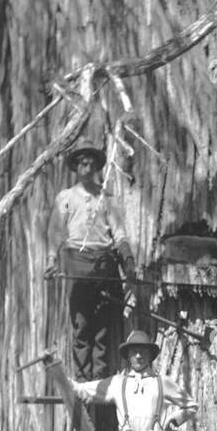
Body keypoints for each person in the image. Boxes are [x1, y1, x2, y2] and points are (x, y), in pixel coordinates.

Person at [47, 140, 137, 380]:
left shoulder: (107, 198)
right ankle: (83, 379)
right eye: (82, 163)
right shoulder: (66, 197)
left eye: (91, 164)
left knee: (103, 329)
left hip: (105, 263)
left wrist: (127, 259)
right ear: (76, 167)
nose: (87, 168)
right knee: (82, 323)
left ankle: (100, 379)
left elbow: (118, 232)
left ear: (98, 167)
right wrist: (51, 259)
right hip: (77, 263)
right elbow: (56, 231)